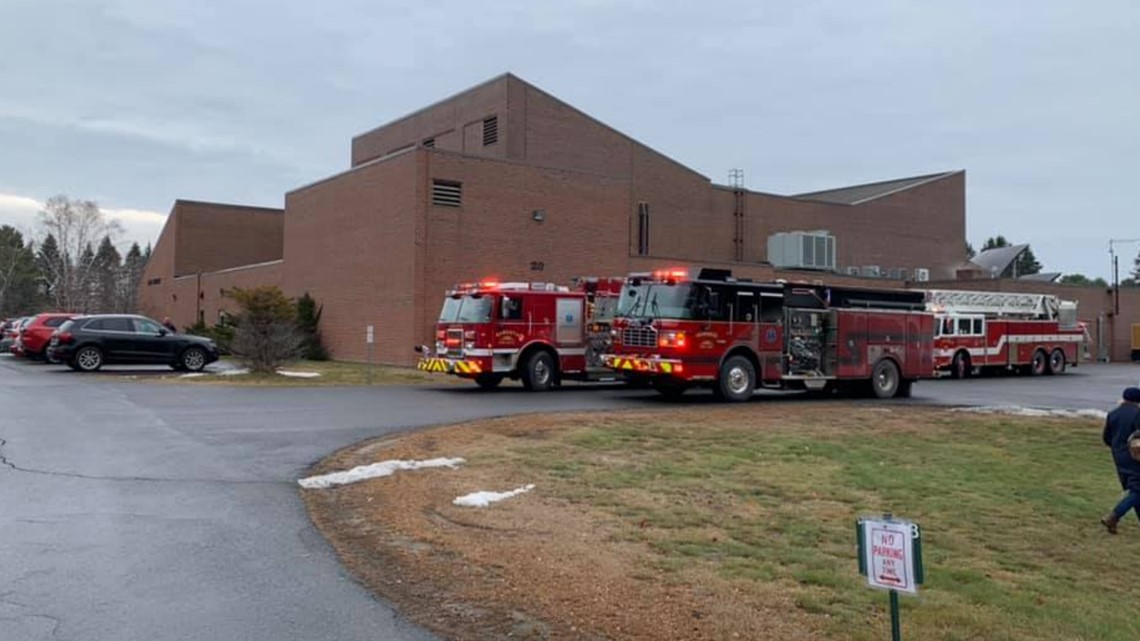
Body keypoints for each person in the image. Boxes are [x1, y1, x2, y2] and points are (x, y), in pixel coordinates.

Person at [1101, 386, 1140, 534]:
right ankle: (1114, 516)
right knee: (1138, 490)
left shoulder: (1113, 414)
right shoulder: (1138, 414)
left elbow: (1106, 438)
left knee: (1136, 490)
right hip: (1136, 457)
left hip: (1119, 457)